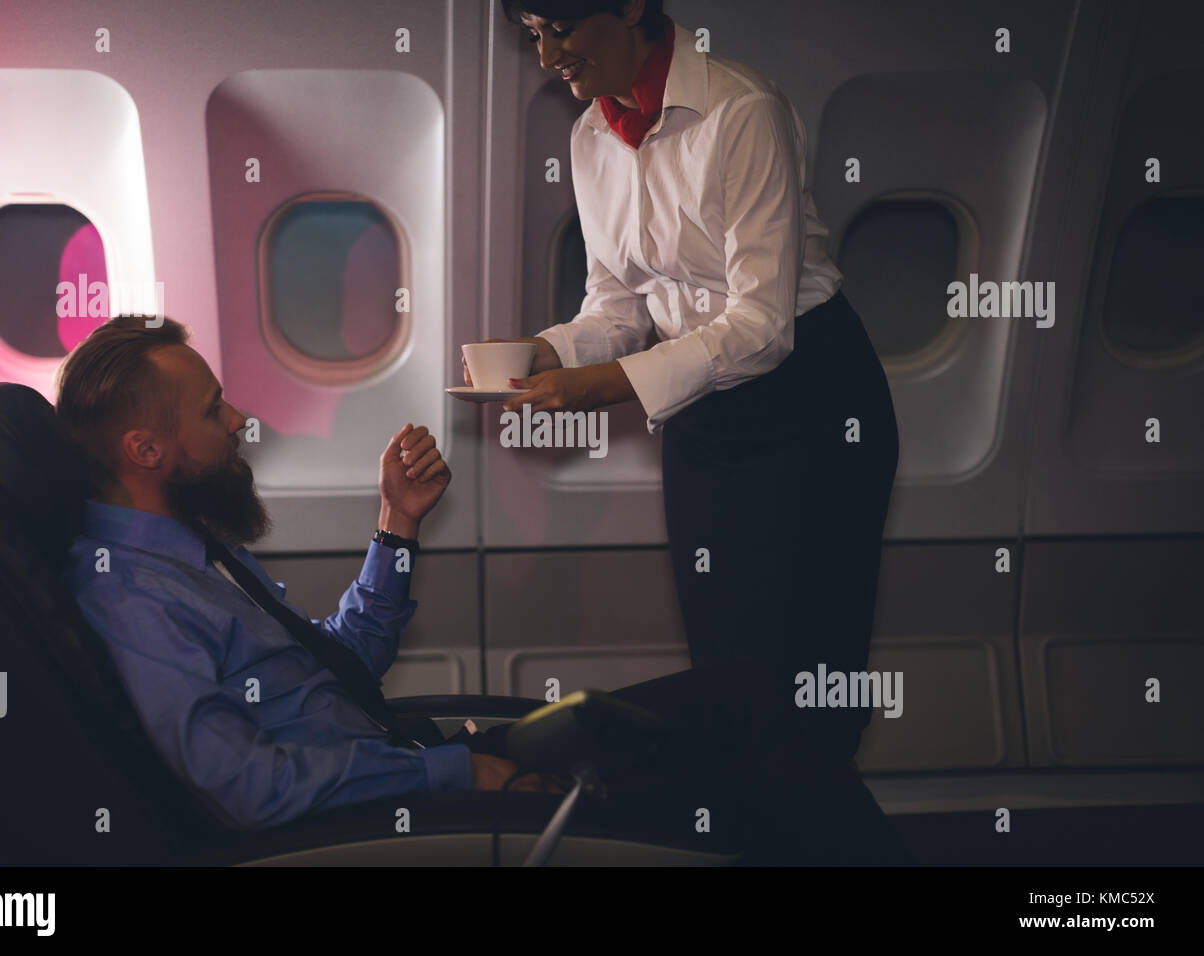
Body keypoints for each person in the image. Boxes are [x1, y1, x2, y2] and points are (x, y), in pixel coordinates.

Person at [55, 315, 909, 863]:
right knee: (755, 759)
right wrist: (458, 774)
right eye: (213, 410)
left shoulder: (185, 555)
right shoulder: (131, 597)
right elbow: (246, 793)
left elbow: (341, 669)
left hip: (411, 766)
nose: (239, 419)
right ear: (145, 450)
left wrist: (396, 524)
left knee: (753, 707)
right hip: (383, 820)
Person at [472, 0, 901, 765]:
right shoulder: (591, 135)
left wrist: (606, 385)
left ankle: (827, 830)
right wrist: (547, 352)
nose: (546, 57)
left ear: (629, 7)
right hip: (702, 410)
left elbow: (764, 325)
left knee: (809, 673)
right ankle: (752, 830)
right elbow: (619, 301)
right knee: (729, 673)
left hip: (813, 404)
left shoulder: (741, 109)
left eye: (560, 29)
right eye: (532, 35)